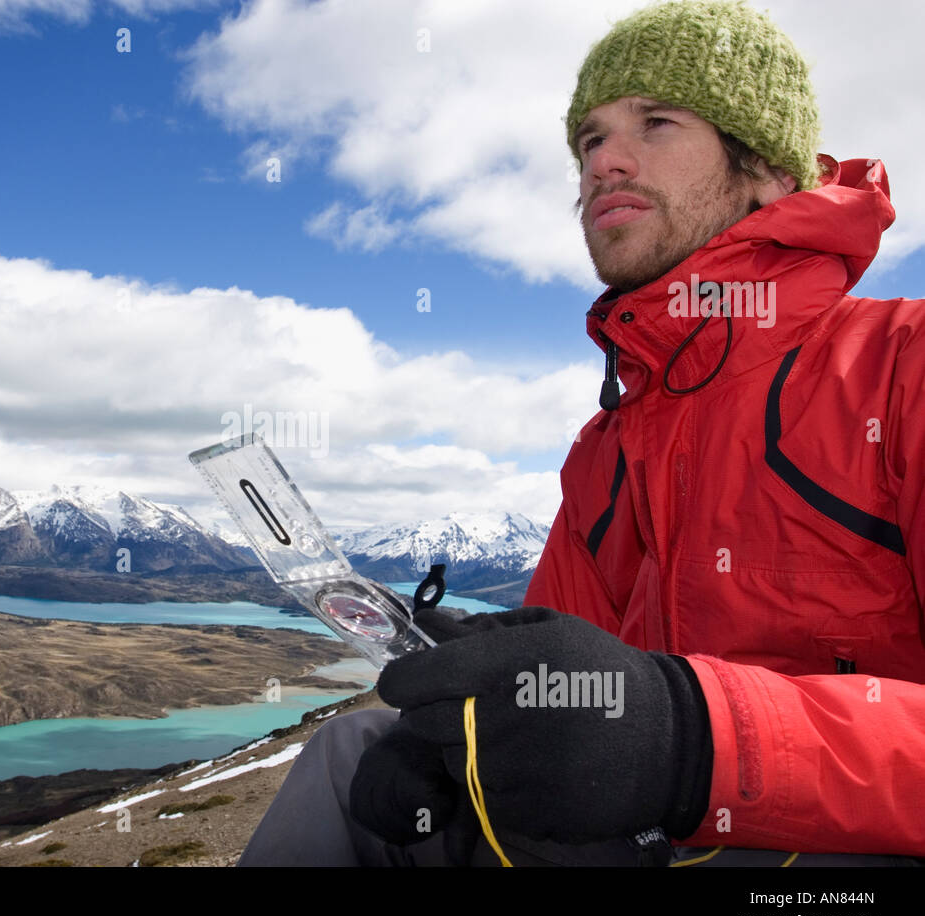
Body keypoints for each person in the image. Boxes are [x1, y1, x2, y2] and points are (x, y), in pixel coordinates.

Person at [237, 0, 925, 866]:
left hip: (826, 861)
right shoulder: (604, 452)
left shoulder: (900, 368)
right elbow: (572, 682)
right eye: (589, 141)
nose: (606, 161)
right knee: (347, 760)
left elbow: (671, 728)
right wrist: (463, 736)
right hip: (649, 838)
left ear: (767, 172)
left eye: (657, 122)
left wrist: (695, 739)